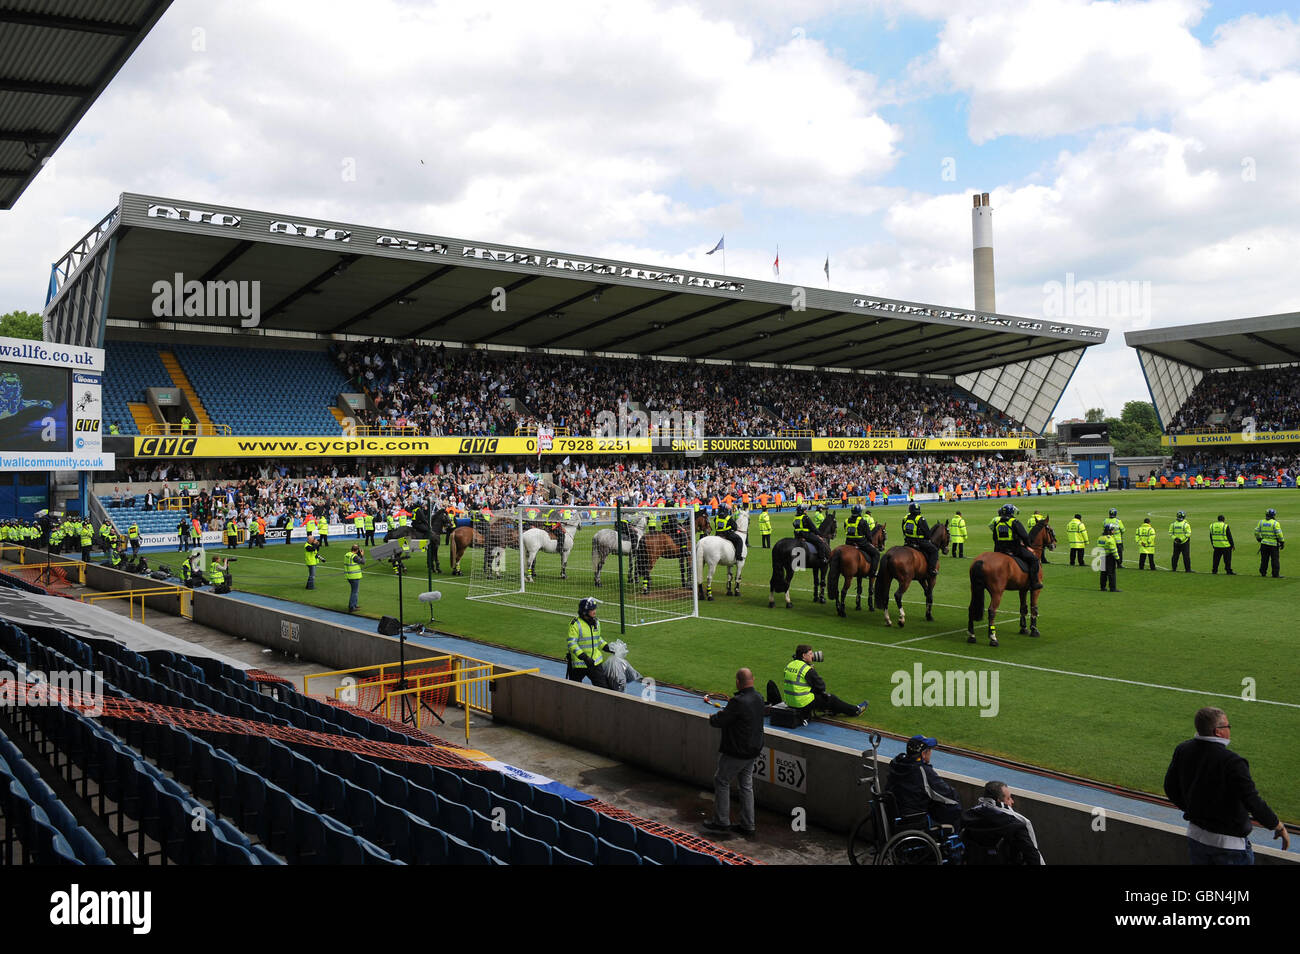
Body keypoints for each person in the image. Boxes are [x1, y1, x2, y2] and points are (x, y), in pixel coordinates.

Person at [1163, 706, 1290, 865]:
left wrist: (1192, 810)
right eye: (1227, 726)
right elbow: (1252, 801)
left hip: (1196, 838)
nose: (1229, 729)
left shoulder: (1183, 749)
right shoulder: (1233, 762)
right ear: (1218, 731)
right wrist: (1277, 825)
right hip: (1230, 847)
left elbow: (1170, 788)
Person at [703, 667, 765, 838]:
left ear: (738, 682)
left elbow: (721, 720)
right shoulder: (759, 698)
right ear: (752, 680)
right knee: (746, 786)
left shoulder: (738, 702)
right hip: (753, 751)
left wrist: (713, 718)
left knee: (721, 781)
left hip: (737, 752)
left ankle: (722, 821)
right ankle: (748, 824)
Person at [885, 735, 962, 828]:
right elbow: (947, 795)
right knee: (955, 810)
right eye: (929, 750)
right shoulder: (922, 771)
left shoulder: (896, 764)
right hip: (914, 821)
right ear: (923, 754)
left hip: (896, 815)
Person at [960, 781, 1044, 865]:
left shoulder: (966, 817)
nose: (1012, 801)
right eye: (1009, 798)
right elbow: (1033, 857)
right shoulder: (1017, 826)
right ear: (999, 801)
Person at [781, 644, 866, 722]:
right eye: (810, 654)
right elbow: (821, 686)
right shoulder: (806, 669)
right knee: (830, 698)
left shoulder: (789, 665)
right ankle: (855, 710)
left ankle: (831, 710)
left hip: (789, 702)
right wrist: (813, 671)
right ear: (804, 655)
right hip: (802, 704)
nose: (812, 656)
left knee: (815, 694)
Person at [991, 504, 1041, 589]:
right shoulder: (1014, 522)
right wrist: (1028, 545)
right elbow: (1025, 536)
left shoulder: (997, 523)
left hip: (999, 549)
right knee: (1034, 560)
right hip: (1014, 549)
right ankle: (1034, 582)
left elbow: (994, 538)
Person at [566, 596, 610, 687]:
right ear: (585, 611)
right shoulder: (575, 624)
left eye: (595, 608)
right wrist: (584, 657)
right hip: (579, 665)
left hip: (594, 662)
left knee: (603, 690)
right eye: (592, 609)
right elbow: (572, 643)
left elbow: (597, 638)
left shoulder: (596, 622)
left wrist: (606, 647)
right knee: (574, 690)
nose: (594, 611)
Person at [901, 503, 938, 580]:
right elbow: (927, 534)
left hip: (907, 541)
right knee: (934, 550)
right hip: (919, 542)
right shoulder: (920, 519)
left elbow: (903, 529)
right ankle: (931, 570)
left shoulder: (905, 517)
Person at [1254, 508, 1284, 578]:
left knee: (1264, 559)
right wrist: (1282, 542)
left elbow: (1256, 531)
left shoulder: (1261, 522)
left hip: (1264, 544)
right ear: (1273, 515)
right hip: (1273, 545)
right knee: (1275, 560)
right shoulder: (1275, 523)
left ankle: (1263, 572)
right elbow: (1279, 534)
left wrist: (1259, 538)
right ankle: (1275, 574)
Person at [1097, 522, 1119, 592]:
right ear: (1109, 530)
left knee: (1103, 573)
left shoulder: (1100, 537)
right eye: (1112, 530)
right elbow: (1113, 550)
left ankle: (1102, 587)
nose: (1113, 531)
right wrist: (1117, 558)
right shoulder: (1110, 539)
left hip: (1102, 556)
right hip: (1110, 557)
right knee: (1111, 573)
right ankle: (1112, 588)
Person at [344, 543, 365, 612]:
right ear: (357, 550)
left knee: (355, 591)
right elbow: (363, 562)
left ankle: (354, 604)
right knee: (354, 592)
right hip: (354, 576)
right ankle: (352, 606)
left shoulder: (347, 554)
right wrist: (362, 555)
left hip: (349, 575)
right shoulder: (354, 557)